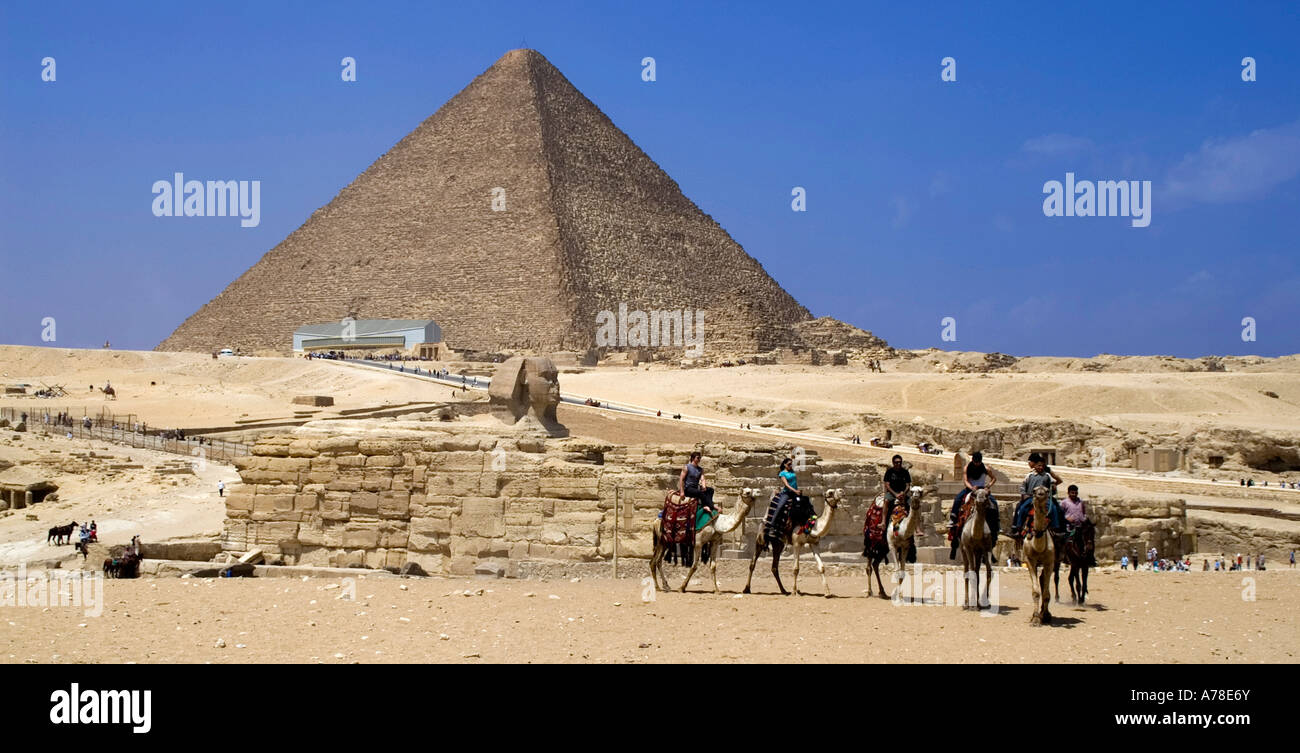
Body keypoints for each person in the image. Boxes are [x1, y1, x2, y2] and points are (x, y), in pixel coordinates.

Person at [948, 451, 999, 559]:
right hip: (970, 489)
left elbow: (994, 478)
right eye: (975, 462)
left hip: (982, 490)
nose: (977, 464)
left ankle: (996, 522)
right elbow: (965, 480)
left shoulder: (986, 468)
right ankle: (953, 518)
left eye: (978, 462)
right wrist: (971, 488)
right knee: (957, 500)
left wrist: (988, 486)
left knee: (994, 503)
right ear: (973, 461)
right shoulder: (967, 467)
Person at [1010, 453, 1064, 540]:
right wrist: (1025, 495)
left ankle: (1056, 528)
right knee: (1022, 508)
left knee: (1053, 508)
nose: (1040, 467)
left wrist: (1053, 488)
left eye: (1042, 466)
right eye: (1038, 466)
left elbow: (1052, 488)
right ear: (1035, 466)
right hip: (1032, 497)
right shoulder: (1029, 476)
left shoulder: (1047, 476)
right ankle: (1017, 528)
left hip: (1044, 498)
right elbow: (1023, 487)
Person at [883, 455, 917, 563]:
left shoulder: (905, 472)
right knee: (886, 502)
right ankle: (883, 521)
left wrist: (903, 493)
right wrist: (895, 494)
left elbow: (908, 485)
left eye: (900, 462)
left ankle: (917, 527)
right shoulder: (889, 472)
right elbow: (887, 485)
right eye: (896, 462)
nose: (898, 464)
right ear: (893, 463)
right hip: (892, 493)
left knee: (913, 505)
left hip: (903, 494)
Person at [762, 457, 802, 543]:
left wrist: (797, 491)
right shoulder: (782, 473)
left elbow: (794, 482)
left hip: (795, 493)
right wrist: (795, 491)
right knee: (780, 506)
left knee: (804, 504)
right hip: (787, 493)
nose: (791, 466)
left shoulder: (792, 471)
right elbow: (786, 485)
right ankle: (772, 526)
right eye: (789, 464)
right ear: (784, 465)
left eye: (791, 464)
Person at [1059, 484, 1097, 566]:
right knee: (1065, 541)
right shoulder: (1064, 503)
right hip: (1069, 527)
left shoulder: (1080, 502)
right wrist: (1066, 518)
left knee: (1089, 540)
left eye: (1075, 493)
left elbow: (1083, 513)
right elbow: (1060, 515)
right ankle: (1064, 557)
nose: (1074, 495)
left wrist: (1084, 519)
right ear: (1068, 493)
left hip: (1080, 526)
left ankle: (1091, 558)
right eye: (1072, 493)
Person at [678, 451, 717, 520]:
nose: (699, 460)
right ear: (693, 458)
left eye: (700, 458)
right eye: (698, 458)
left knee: (710, 490)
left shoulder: (700, 469)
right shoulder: (687, 467)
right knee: (699, 493)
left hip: (696, 488)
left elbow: (702, 479)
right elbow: (681, 479)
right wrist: (682, 491)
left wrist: (704, 486)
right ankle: (707, 506)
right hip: (688, 488)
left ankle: (708, 504)